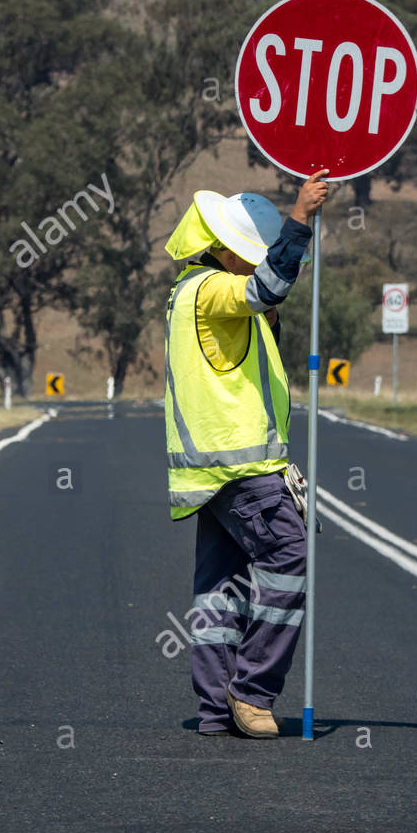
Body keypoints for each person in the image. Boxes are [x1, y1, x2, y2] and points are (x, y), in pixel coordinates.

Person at [163, 170, 329, 738]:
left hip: (212, 473)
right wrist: (301, 217)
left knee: (221, 586)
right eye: (249, 255)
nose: (253, 265)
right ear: (225, 250)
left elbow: (248, 353)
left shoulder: (190, 295)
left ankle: (215, 707)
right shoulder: (211, 290)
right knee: (288, 558)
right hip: (242, 468)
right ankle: (253, 690)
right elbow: (264, 289)